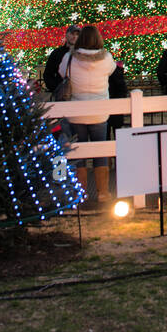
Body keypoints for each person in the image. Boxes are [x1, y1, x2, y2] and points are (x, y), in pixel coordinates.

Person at [58, 25, 118, 204]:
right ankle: (103, 193)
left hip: (76, 112)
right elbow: (112, 70)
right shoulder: (106, 58)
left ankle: (81, 192)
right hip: (99, 112)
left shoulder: (69, 58)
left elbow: (62, 73)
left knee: (79, 152)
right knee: (100, 151)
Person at [43, 25, 81, 95]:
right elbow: (48, 74)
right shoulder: (57, 53)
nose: (75, 37)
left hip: (80, 94)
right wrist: (56, 88)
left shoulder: (83, 53)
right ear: (66, 35)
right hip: (62, 95)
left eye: (77, 35)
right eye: (72, 34)